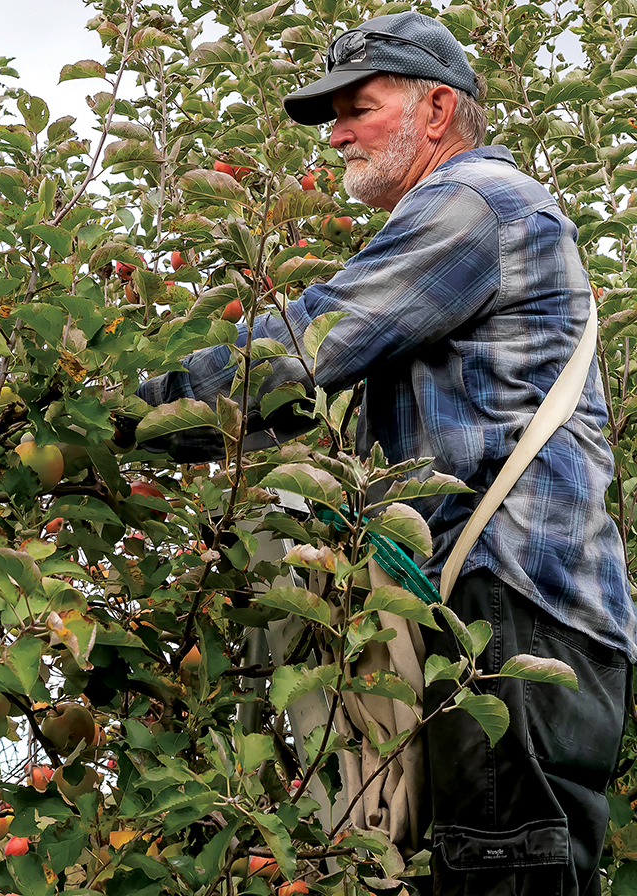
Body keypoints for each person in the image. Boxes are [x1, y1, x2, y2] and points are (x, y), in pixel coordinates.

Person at [136, 12, 637, 895]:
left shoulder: (476, 203)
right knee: (485, 863)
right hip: (514, 614)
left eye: (355, 107)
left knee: (504, 868)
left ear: (437, 109)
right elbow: (301, 400)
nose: (333, 134)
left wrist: (112, 413)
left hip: (513, 611)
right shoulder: (466, 214)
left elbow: (306, 350)